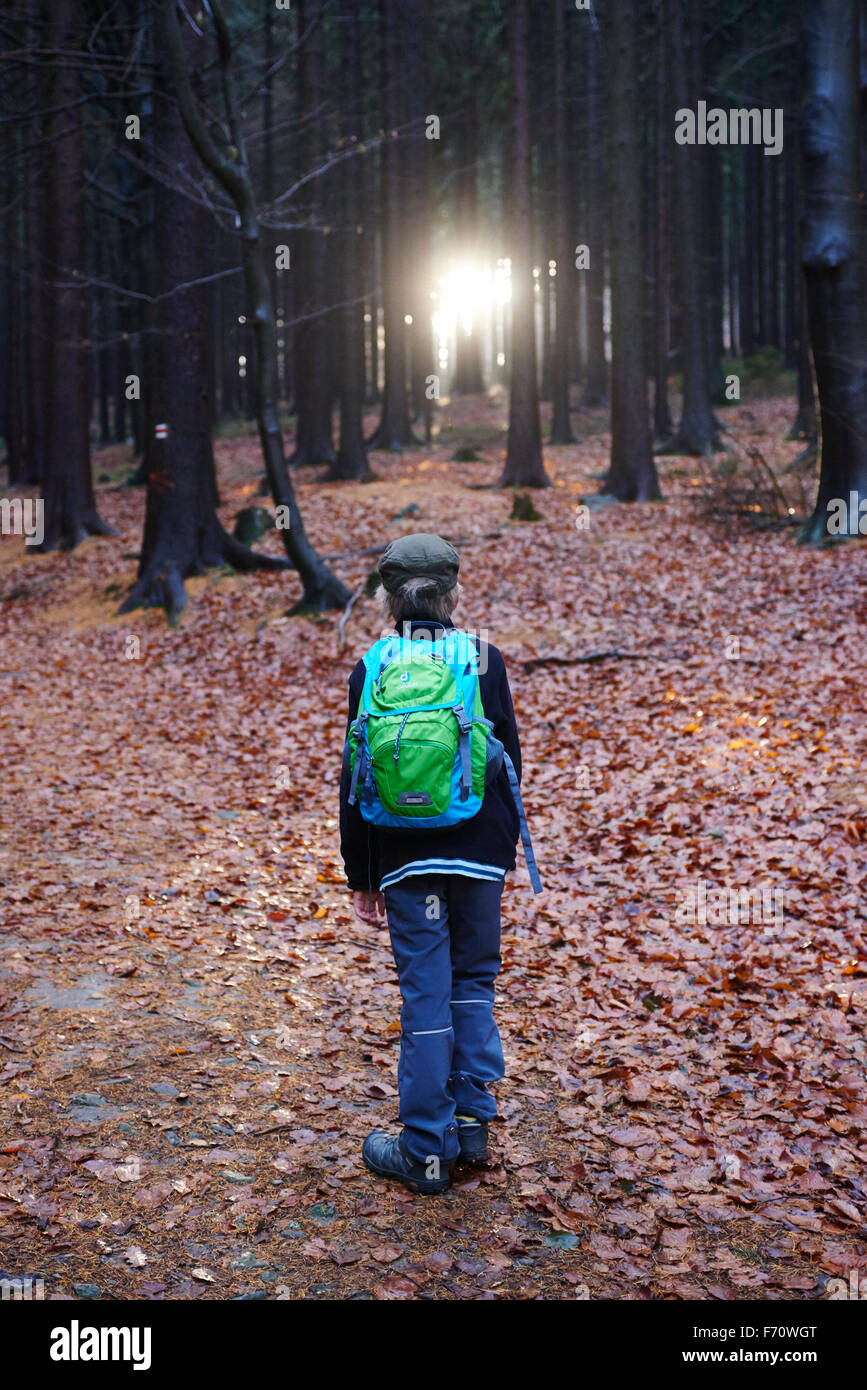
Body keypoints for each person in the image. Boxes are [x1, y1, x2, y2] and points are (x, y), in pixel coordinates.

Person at [339, 533, 527, 1194]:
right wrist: (500, 857)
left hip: (404, 859)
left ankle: (424, 1150)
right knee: (473, 983)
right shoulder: (483, 657)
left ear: (388, 597)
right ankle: (472, 1129)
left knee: (425, 998)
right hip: (477, 854)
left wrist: (362, 877)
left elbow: (355, 776)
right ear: (453, 591)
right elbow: (507, 764)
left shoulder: (373, 663)